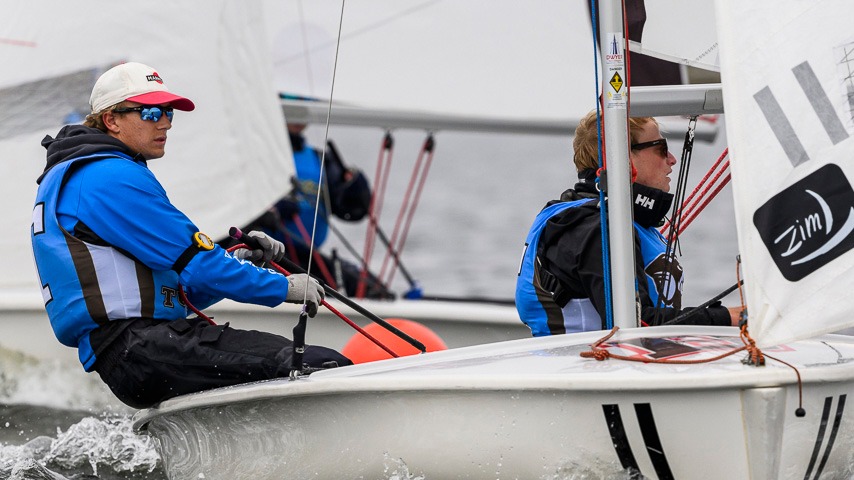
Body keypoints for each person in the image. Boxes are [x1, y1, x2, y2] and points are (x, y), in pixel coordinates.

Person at [31, 62, 352, 409]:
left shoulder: (80, 172)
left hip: (133, 357)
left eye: (168, 111)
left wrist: (242, 259)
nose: (166, 122)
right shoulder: (107, 176)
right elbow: (200, 264)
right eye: (151, 112)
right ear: (112, 120)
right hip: (145, 347)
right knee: (324, 365)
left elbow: (181, 291)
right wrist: (284, 288)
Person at [515, 110, 742, 336]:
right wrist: (730, 317)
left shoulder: (616, 219)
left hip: (623, 363)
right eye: (661, 149)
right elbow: (636, 324)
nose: (672, 159)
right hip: (587, 365)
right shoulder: (595, 228)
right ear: (624, 156)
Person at [227, 122, 393, 299]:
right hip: (260, 255)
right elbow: (227, 204)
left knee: (375, 292)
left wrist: (355, 190)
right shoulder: (254, 156)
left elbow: (351, 210)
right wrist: (266, 212)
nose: (299, 117)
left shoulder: (320, 160)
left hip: (307, 257)